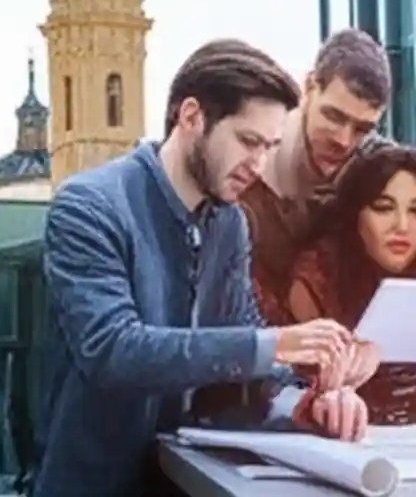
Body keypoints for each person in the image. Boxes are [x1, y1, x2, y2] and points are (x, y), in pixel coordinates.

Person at [33, 39, 367, 497]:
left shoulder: (229, 224)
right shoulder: (89, 206)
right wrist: (277, 344)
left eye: (270, 146)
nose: (258, 165)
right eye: (248, 141)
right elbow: (113, 350)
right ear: (191, 117)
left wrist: (304, 405)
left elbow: (242, 349)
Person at [242, 29, 392, 326]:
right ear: (309, 86)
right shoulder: (250, 161)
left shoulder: (378, 166)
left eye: (362, 129)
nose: (344, 141)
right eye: (334, 117)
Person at [282, 145, 416, 425]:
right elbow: (290, 386)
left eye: (415, 211)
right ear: (355, 214)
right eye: (383, 208)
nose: (402, 226)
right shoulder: (318, 276)